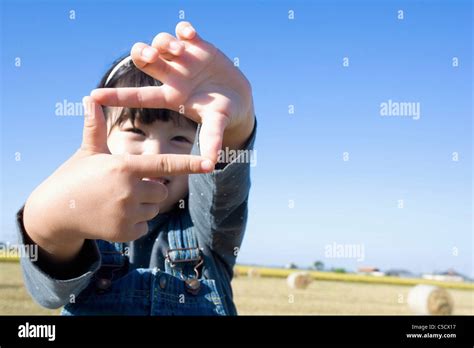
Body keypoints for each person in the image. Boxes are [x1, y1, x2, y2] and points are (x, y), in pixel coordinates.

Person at [17, 21, 256, 315]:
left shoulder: (207, 227)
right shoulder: (85, 233)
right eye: (136, 132)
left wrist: (237, 124)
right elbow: (48, 294)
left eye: (180, 138)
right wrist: (50, 218)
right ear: (103, 137)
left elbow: (222, 182)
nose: (155, 153)